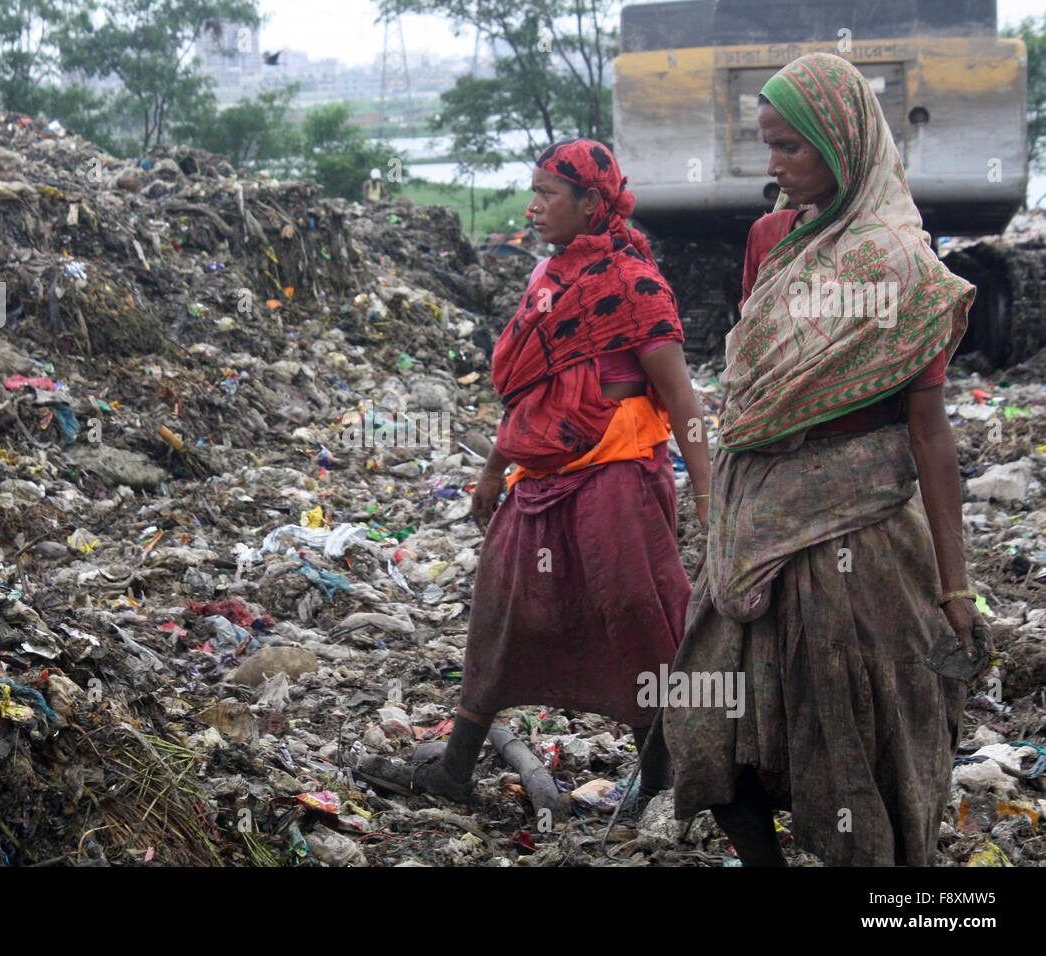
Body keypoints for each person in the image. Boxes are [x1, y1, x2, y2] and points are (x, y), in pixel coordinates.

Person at [663, 52, 987, 867]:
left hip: (862, 536)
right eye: (766, 144)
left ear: (842, 144)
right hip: (755, 522)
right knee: (708, 717)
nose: (772, 166)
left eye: (790, 147)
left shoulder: (903, 267)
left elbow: (929, 430)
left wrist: (955, 588)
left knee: (857, 735)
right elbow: (758, 383)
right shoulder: (772, 239)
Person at [359, 139, 711, 813]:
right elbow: (531, 392)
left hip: (616, 476)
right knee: (499, 612)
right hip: (539, 476)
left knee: (636, 618)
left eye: (550, 193)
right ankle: (455, 768)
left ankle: (662, 779)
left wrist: (707, 493)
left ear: (592, 202)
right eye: (536, 190)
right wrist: (494, 468)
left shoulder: (633, 284)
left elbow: (681, 397)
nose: (535, 205)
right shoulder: (548, 281)